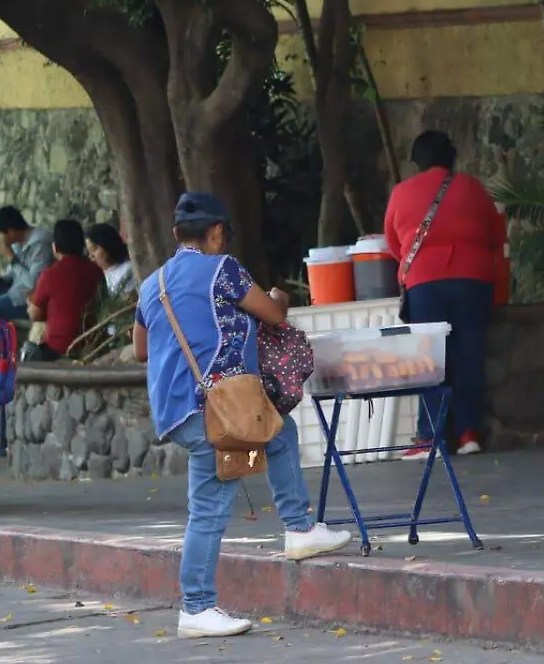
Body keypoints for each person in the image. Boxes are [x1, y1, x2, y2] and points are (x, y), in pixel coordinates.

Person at [133, 192, 351, 640]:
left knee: (278, 431)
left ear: (177, 235)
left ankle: (300, 528)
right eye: (221, 236)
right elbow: (272, 313)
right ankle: (197, 606)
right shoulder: (223, 269)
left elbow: (141, 349)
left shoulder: (150, 285)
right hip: (217, 405)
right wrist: (276, 296)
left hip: (178, 412)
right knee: (211, 507)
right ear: (216, 234)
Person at [384, 130, 503, 460]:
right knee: (469, 355)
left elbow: (394, 244)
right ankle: (468, 434)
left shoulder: (402, 193)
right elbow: (495, 235)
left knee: (430, 358)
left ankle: (431, 438)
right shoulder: (472, 188)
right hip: (472, 280)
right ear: (451, 157)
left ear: (416, 162)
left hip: (425, 282)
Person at [25, 220, 105, 362]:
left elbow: (35, 314)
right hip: (93, 342)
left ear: (55, 247)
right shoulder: (96, 270)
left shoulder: (50, 274)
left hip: (60, 349)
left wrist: (31, 302)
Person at [0, 205, 54, 320]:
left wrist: (12, 258)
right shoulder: (17, 243)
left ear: (11, 232)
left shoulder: (41, 244)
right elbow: (13, 275)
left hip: (27, 301)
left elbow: (33, 284)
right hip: (15, 292)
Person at [86, 223, 136, 296]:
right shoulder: (102, 279)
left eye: (94, 249)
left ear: (107, 245)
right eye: (89, 251)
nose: (91, 256)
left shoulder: (128, 270)